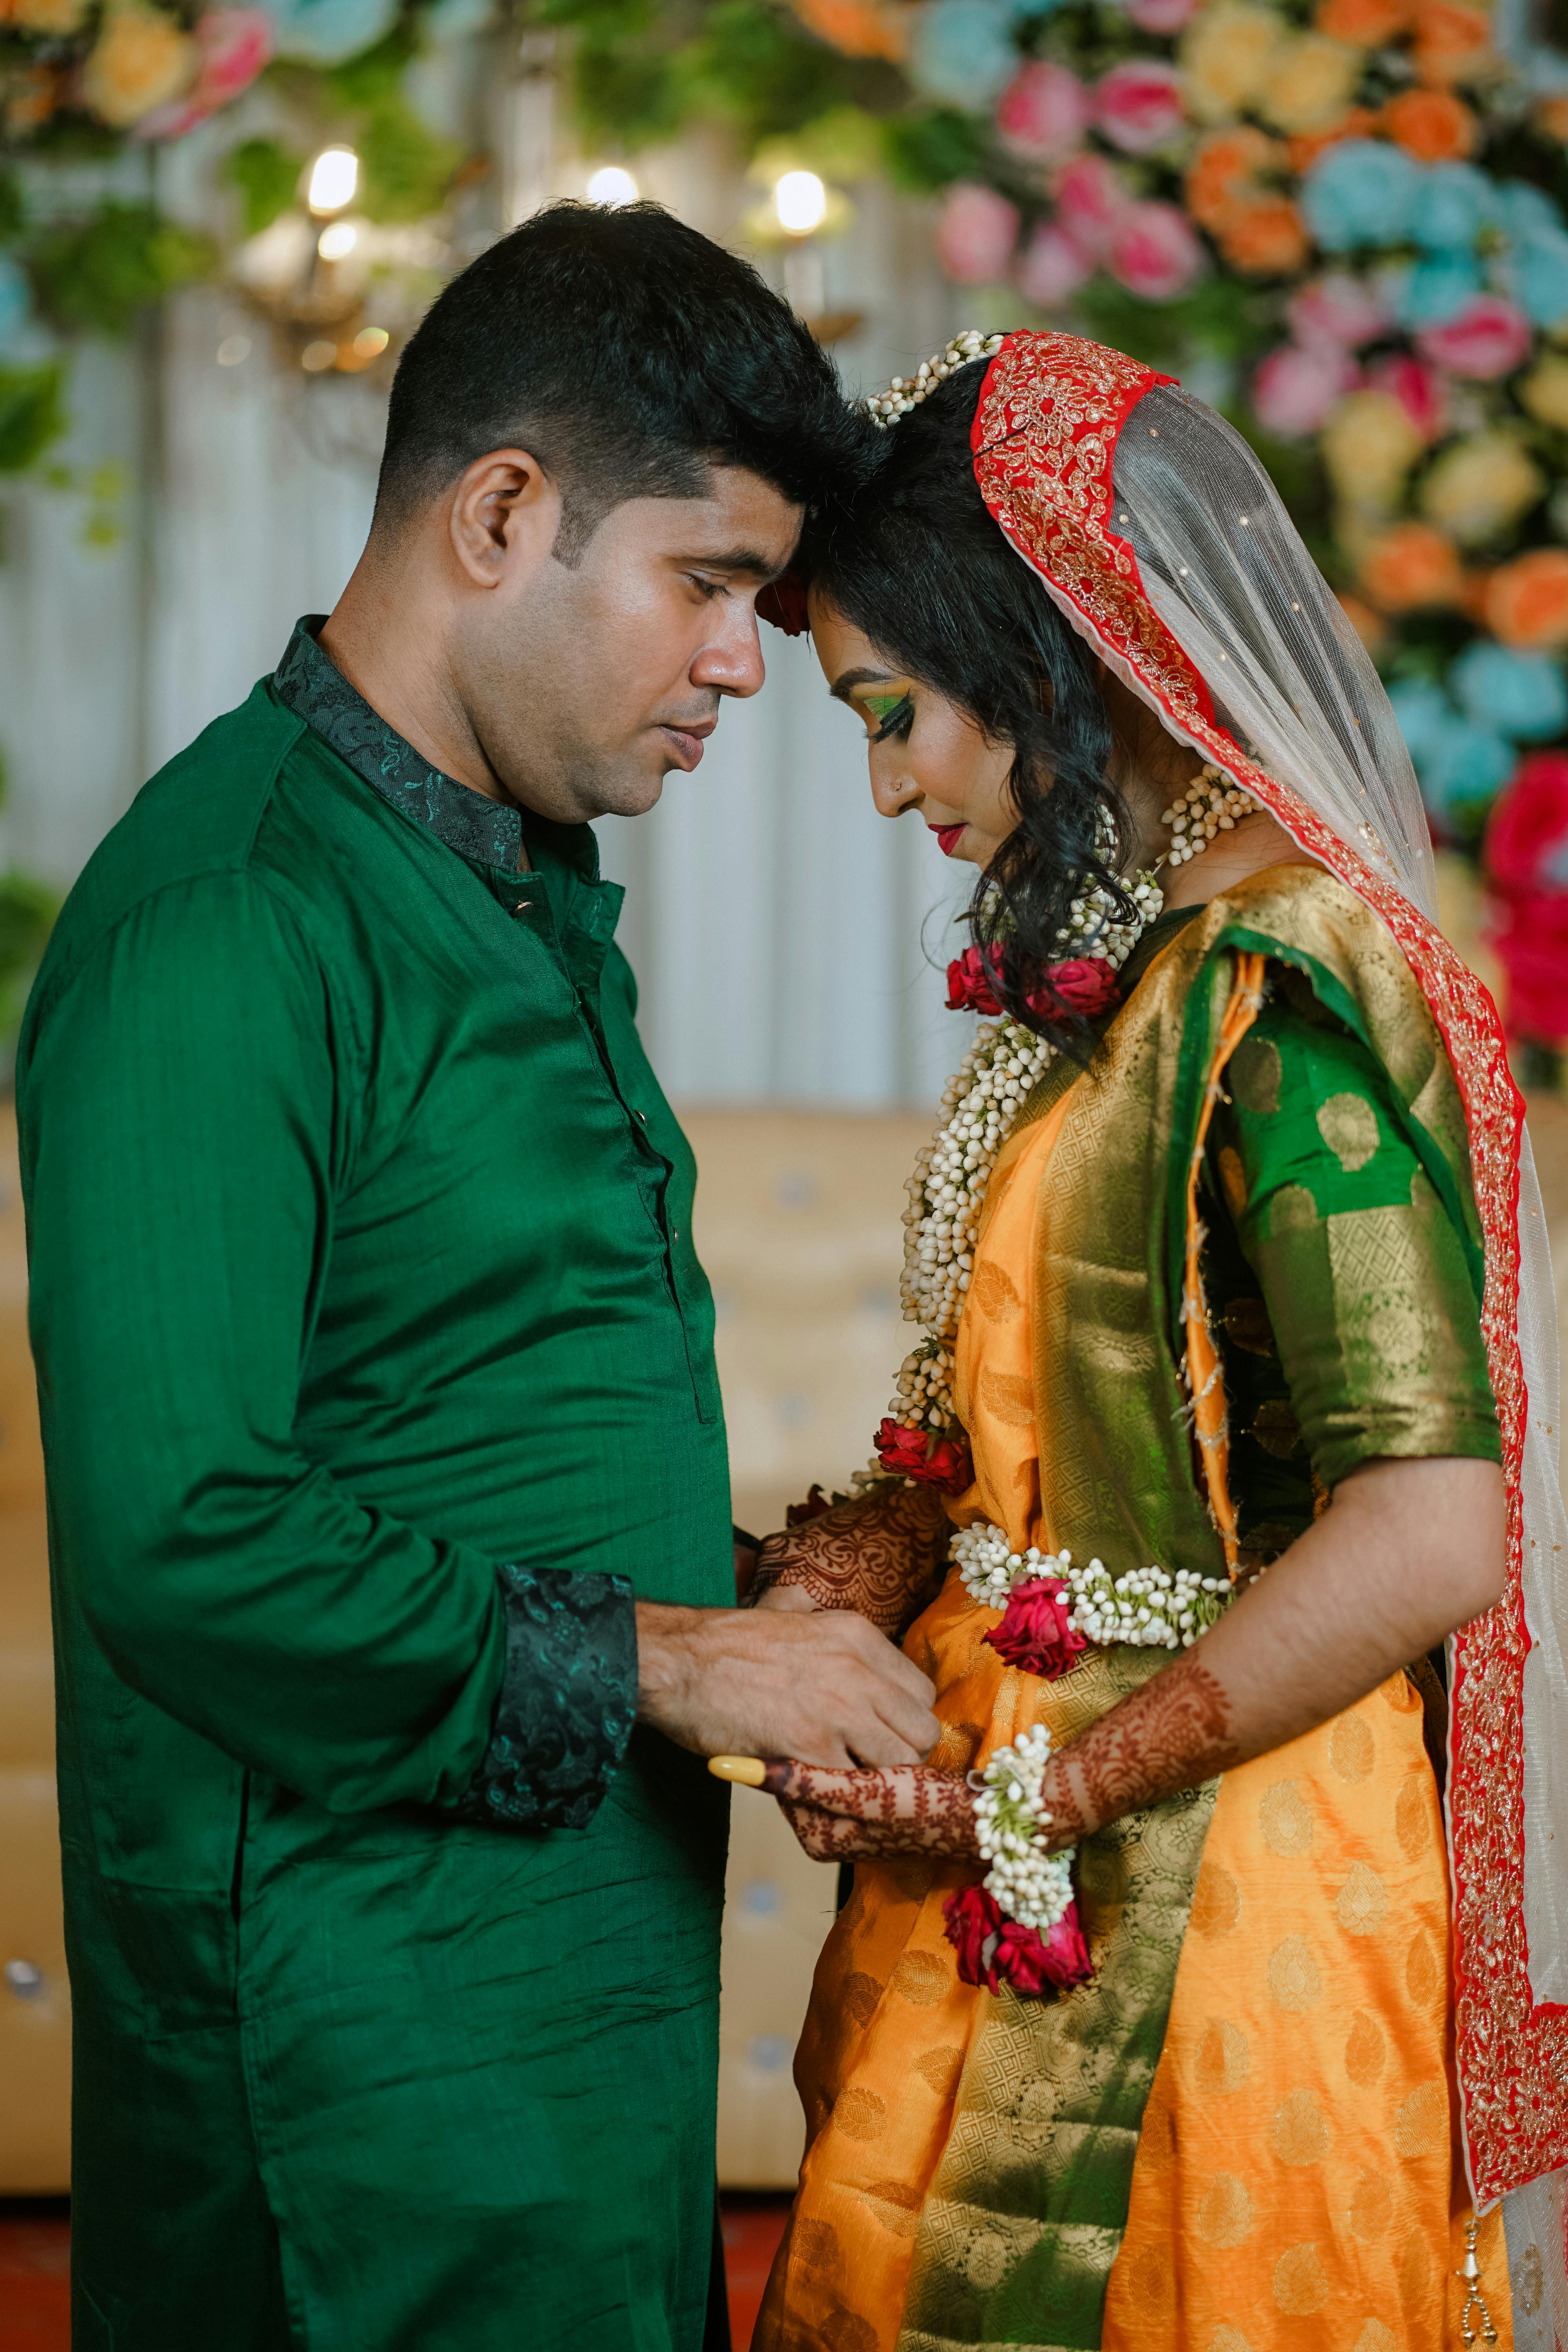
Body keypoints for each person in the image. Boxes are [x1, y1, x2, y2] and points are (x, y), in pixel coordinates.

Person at [18, 201, 942, 2352]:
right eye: (710, 582)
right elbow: (188, 1533)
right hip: (355, 2079)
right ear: (505, 514)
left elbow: (468, 1434)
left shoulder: (510, 881)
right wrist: (677, 1669)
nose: (745, 662)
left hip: (556, 2034)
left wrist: (754, 1603)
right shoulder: (232, 918)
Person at [742, 330, 1568, 2351]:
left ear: (1047, 656)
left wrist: (1041, 1798)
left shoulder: (1277, 983)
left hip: (1229, 1885)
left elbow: (1431, 1531)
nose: (885, 784)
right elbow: (1024, 1439)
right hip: (1035, 1833)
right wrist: (844, 1572)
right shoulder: (1125, 978)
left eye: (896, 712)